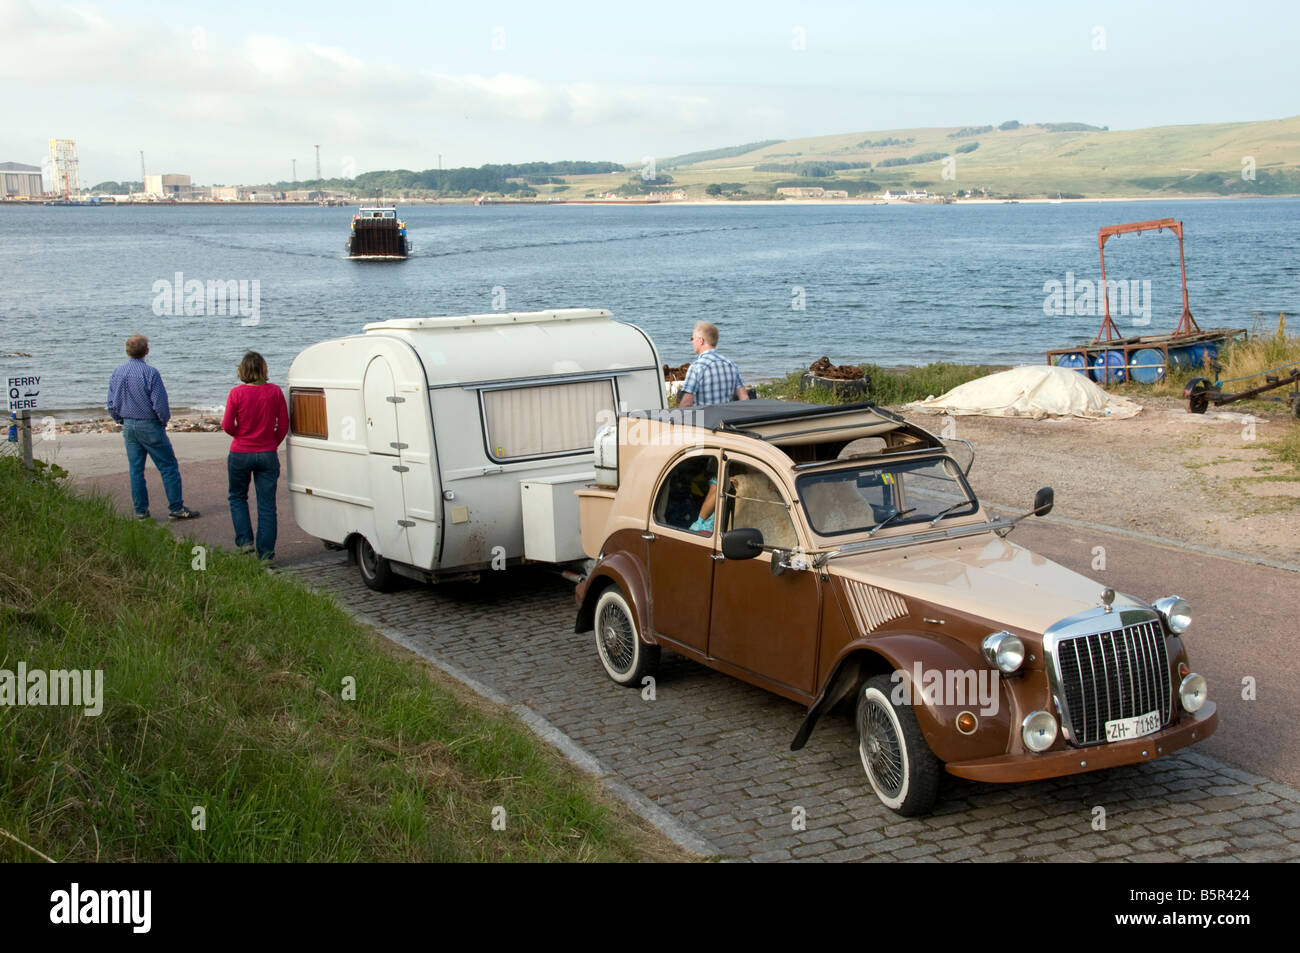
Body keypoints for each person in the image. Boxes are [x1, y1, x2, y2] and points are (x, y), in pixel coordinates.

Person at [106, 334, 199, 520]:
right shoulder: (150, 373)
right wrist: (162, 421)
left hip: (129, 425)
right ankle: (176, 507)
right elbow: (160, 404)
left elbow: (111, 403)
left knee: (135, 469)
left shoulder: (118, 372)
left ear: (126, 351)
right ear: (146, 351)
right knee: (168, 466)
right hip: (149, 424)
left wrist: (120, 419)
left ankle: (141, 511)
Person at [221, 351, 289, 561]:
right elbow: (284, 425)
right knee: (267, 505)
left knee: (237, 497)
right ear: (263, 369)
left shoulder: (236, 393)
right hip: (267, 453)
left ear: (242, 370)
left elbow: (226, 425)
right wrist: (272, 443)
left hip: (240, 452)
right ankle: (266, 554)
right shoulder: (275, 392)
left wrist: (240, 435)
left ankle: (245, 542)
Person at [677, 321, 751, 408]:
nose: (692, 342)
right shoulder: (731, 365)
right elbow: (744, 398)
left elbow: (686, 404)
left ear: (701, 340)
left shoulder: (697, 367)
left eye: (692, 338)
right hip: (727, 420)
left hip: (705, 420)